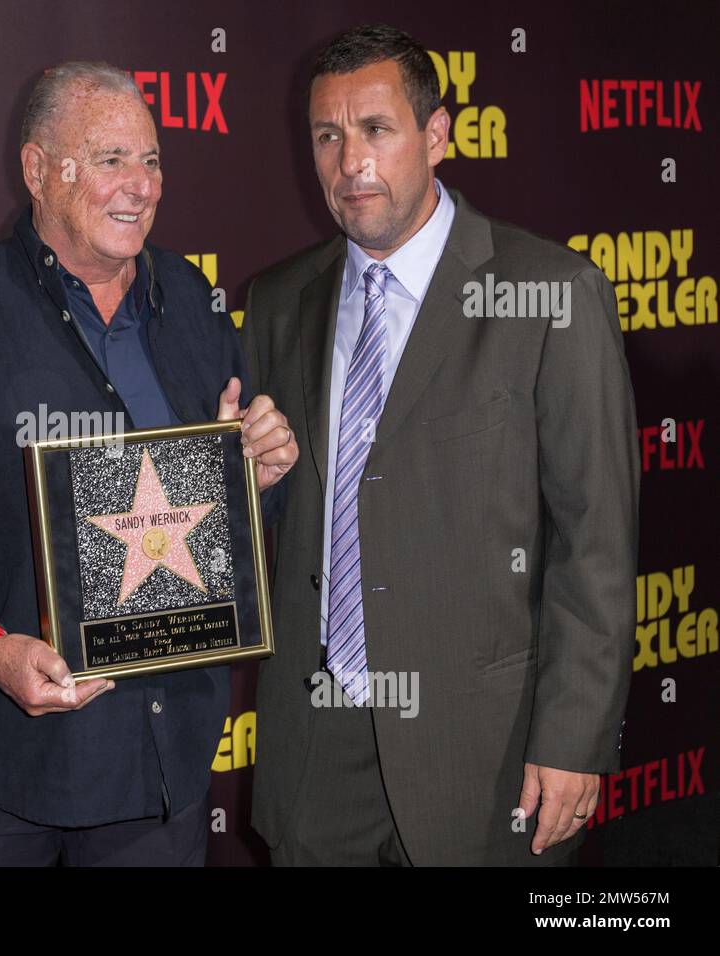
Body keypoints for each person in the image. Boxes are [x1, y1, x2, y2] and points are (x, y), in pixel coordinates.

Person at [0, 61, 297, 866]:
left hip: (161, 779)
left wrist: (253, 481)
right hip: (1, 778)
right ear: (36, 170)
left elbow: (227, 542)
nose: (140, 186)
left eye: (152, 160)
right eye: (110, 159)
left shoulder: (196, 307)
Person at [245, 25, 639, 866]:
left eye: (376, 129)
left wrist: (573, 738)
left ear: (436, 135)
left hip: (483, 750)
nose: (351, 161)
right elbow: (274, 513)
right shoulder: (280, 301)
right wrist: (255, 475)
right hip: (318, 744)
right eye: (327, 135)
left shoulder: (552, 293)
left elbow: (595, 544)